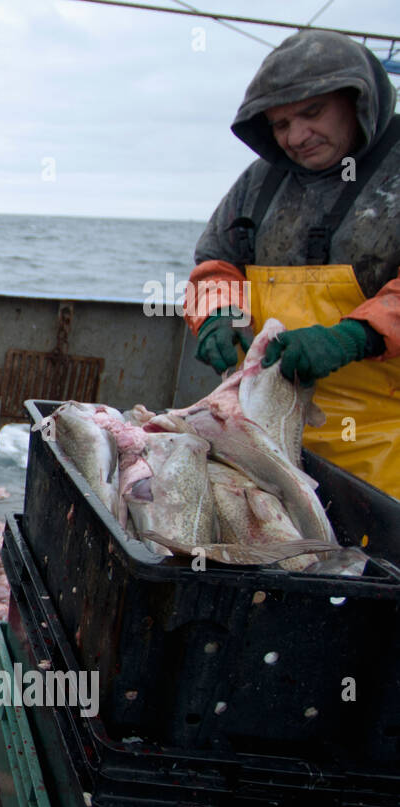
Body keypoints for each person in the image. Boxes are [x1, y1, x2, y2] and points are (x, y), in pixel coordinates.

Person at [185, 29, 400, 497]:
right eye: (280, 124)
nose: (296, 137)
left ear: (356, 99)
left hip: (382, 448)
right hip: (262, 432)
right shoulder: (260, 182)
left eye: (311, 112)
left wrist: (355, 335)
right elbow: (216, 264)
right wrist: (217, 315)